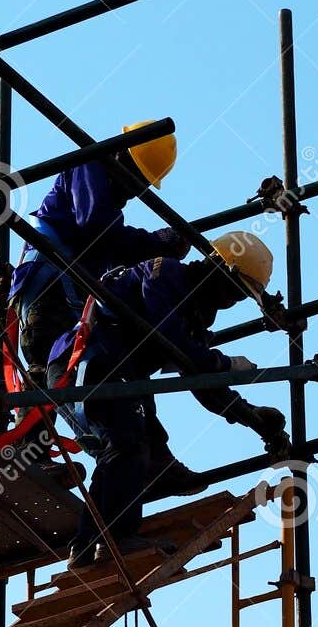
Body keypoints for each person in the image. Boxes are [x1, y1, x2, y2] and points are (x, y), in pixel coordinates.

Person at [57, 230, 289, 567]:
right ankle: (116, 537)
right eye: (235, 292)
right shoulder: (165, 273)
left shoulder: (193, 315)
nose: (231, 303)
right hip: (91, 362)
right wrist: (223, 362)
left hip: (116, 369)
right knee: (127, 445)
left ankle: (88, 543)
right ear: (218, 269)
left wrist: (250, 415)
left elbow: (202, 382)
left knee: (136, 448)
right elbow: (168, 337)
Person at [9, 121, 183, 381]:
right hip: (48, 295)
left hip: (67, 302)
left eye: (141, 186)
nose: (132, 193)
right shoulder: (89, 165)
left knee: (60, 387)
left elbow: (108, 249)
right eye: (134, 177)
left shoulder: (106, 200)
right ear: (119, 154)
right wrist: (155, 244)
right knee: (47, 382)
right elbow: (96, 226)